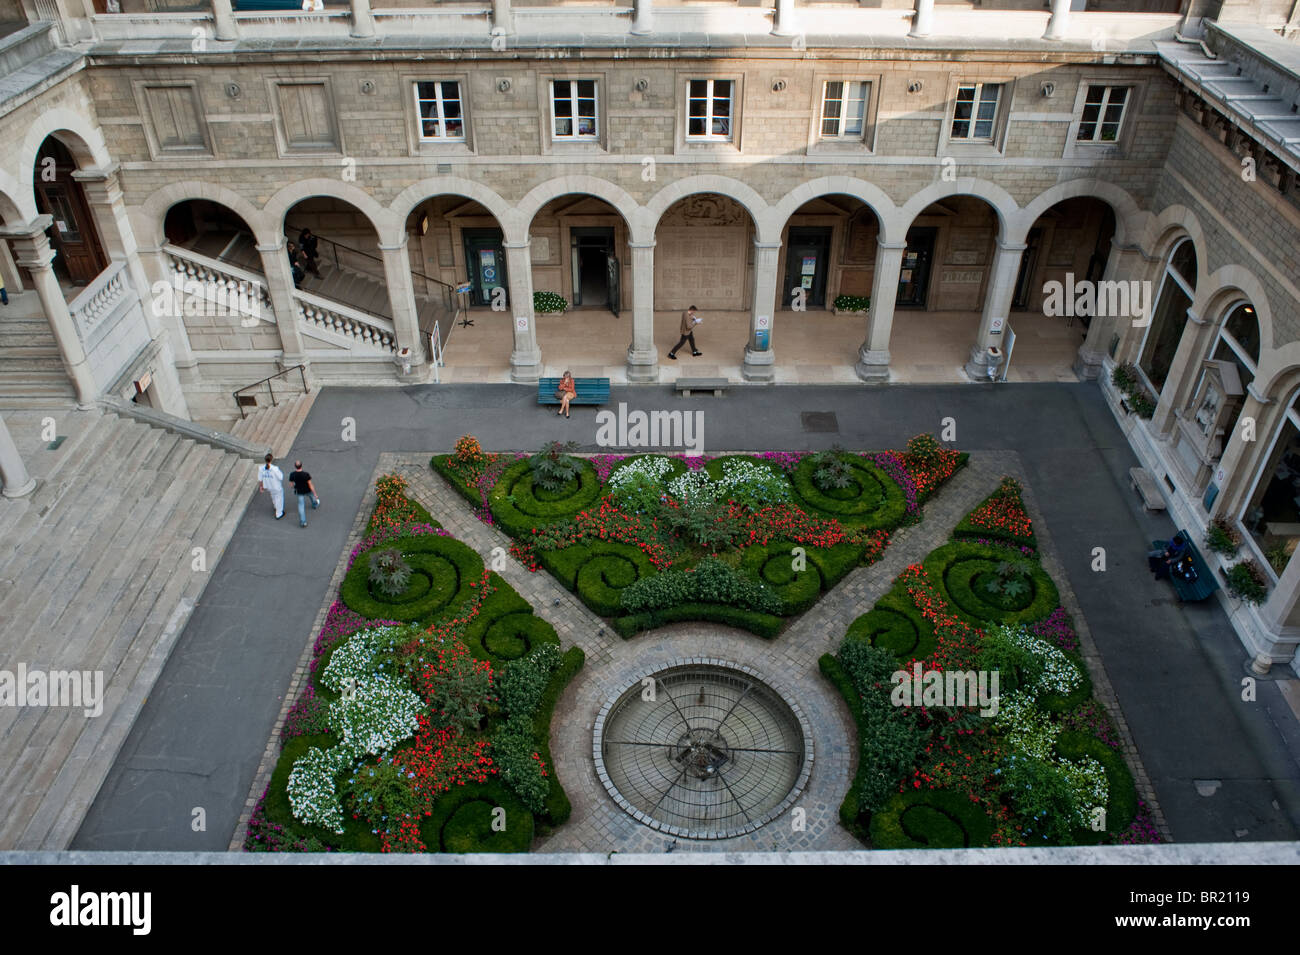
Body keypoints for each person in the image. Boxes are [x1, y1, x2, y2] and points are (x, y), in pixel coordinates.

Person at [288, 460, 320, 527]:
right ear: (301, 466)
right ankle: (315, 505)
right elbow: (310, 485)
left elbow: (291, 485)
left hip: (299, 492)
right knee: (313, 498)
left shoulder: (292, 474)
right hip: (307, 490)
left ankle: (303, 522)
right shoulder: (306, 474)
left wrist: (294, 486)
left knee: (301, 506)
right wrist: (315, 494)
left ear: (295, 466)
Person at [257, 453, 285, 520]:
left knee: (273, 496)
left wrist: (261, 487)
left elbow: (260, 479)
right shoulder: (275, 469)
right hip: (276, 487)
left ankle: (275, 506)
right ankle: (279, 513)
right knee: (279, 499)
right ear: (271, 459)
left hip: (268, 486)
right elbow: (281, 477)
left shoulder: (261, 468)